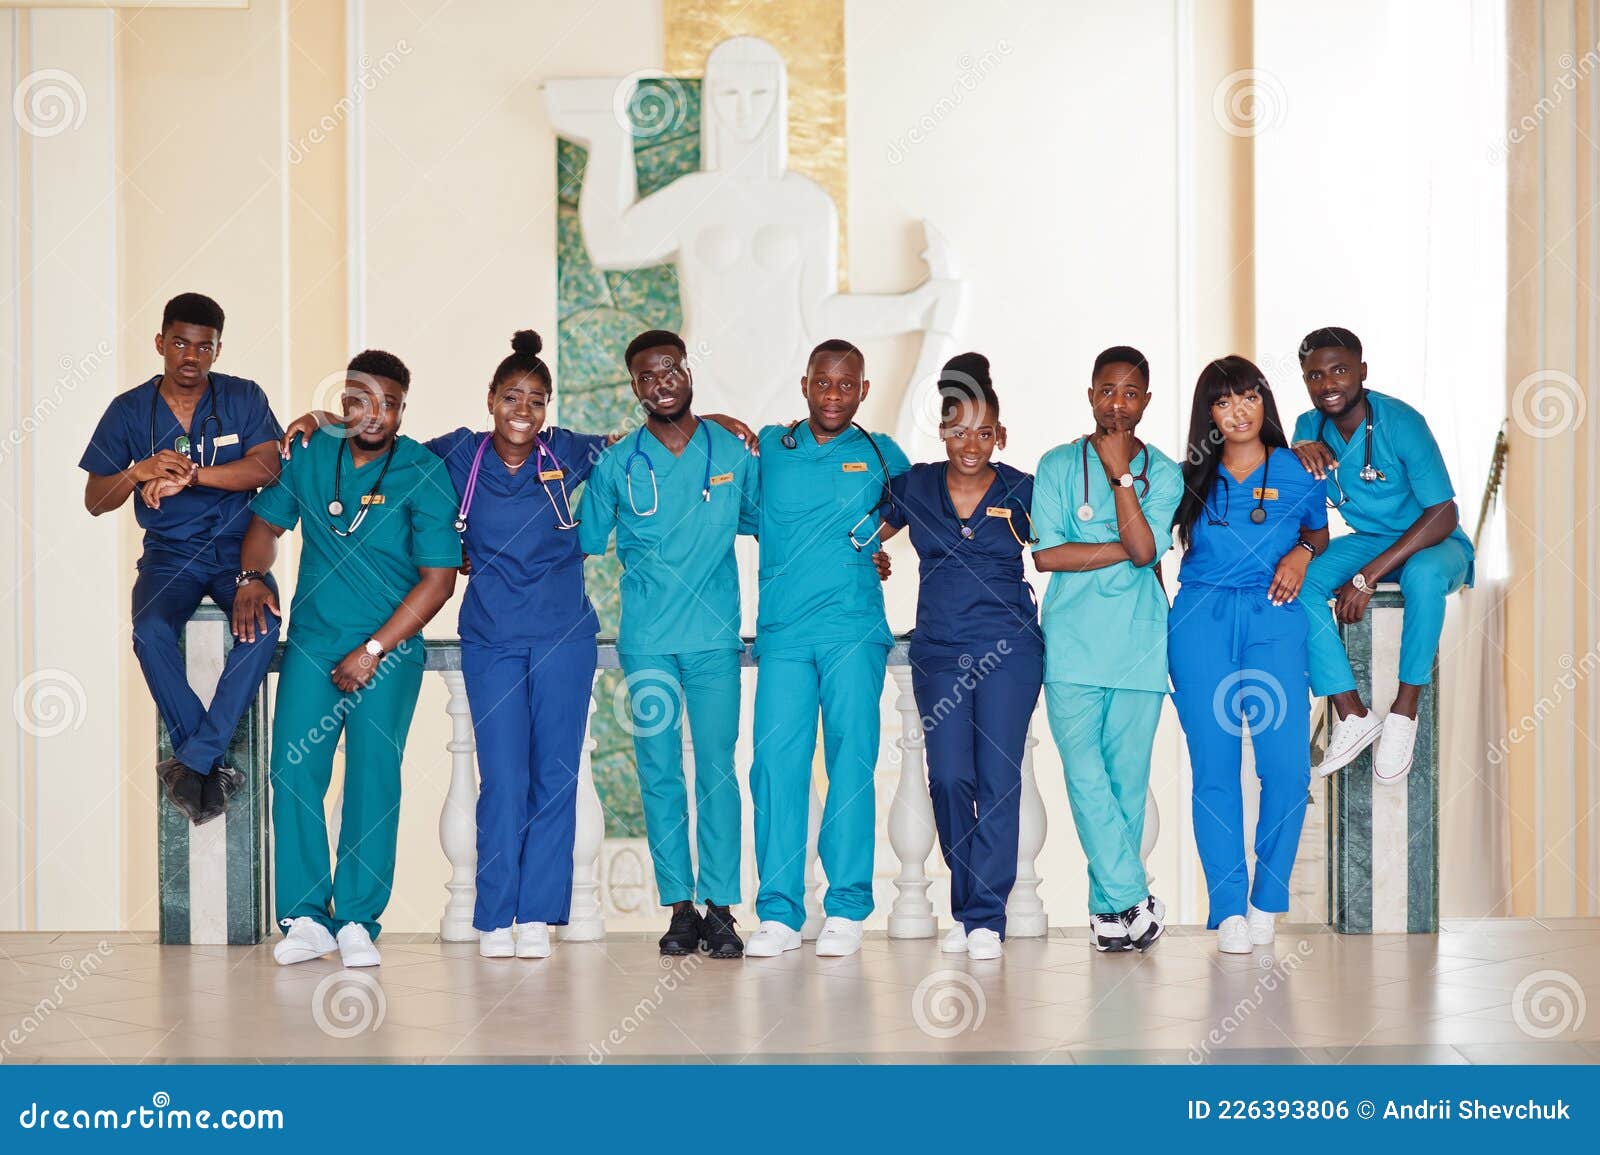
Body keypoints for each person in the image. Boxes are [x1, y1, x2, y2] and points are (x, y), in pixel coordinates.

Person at [280, 332, 755, 961]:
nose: (522, 409)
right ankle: (494, 915)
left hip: (563, 635)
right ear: (491, 400)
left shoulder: (568, 452)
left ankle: (537, 914)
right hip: (491, 638)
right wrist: (324, 420)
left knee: (554, 777)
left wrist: (715, 422)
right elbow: (387, 441)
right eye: (511, 396)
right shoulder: (457, 455)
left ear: (548, 406)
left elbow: (641, 437)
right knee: (501, 777)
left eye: (535, 398)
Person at [237, 350, 460, 968]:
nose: (376, 414)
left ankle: (358, 918)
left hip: (387, 651)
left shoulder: (422, 470)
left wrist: (373, 650)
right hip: (313, 641)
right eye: (364, 400)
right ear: (345, 401)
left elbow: (438, 580)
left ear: (402, 409)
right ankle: (306, 918)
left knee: (372, 777)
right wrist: (251, 576)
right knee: (293, 773)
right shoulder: (309, 453)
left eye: (391, 404)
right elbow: (265, 525)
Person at [578, 330, 760, 959]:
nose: (661, 382)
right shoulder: (617, 463)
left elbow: (780, 525)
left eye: (670, 370)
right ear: (635, 387)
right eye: (647, 376)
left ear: (687, 372)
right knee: (657, 771)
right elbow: (576, 539)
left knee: (715, 771)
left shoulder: (733, 455)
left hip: (712, 640)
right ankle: (680, 908)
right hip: (648, 639)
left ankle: (722, 909)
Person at [80, 292, 284, 824]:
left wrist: (192, 476)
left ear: (217, 350)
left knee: (261, 629)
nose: (190, 356)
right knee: (149, 630)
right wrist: (138, 472)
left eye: (203, 346)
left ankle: (192, 760)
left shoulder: (242, 397)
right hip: (170, 556)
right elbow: (96, 501)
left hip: (238, 550)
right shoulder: (129, 410)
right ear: (160, 343)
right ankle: (207, 761)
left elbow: (266, 470)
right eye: (179, 343)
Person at [744, 338, 911, 959]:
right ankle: (781, 913)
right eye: (823, 383)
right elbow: (730, 498)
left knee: (851, 766)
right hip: (784, 635)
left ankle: (845, 908)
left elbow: (920, 502)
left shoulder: (880, 453)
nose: (833, 395)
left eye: (847, 385)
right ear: (805, 384)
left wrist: (871, 538)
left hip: (853, 632)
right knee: (775, 768)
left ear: (863, 390)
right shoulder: (772, 449)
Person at [877, 353, 1043, 961]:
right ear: (941, 431)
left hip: (1010, 649)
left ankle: (983, 918)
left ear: (999, 434)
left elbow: (1066, 544)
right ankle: (971, 902)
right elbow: (865, 533)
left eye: (983, 432)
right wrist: (873, 557)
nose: (969, 444)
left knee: (998, 779)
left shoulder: (1023, 489)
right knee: (948, 777)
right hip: (941, 649)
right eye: (957, 430)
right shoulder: (914, 485)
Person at [1168, 357, 1328, 954]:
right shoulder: (1189, 475)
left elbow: (1317, 531)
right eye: (1222, 402)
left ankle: (1267, 896)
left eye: (1248, 397)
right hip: (1200, 621)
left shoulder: (1298, 468)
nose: (1238, 411)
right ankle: (1229, 905)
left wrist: (1302, 556)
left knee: (1286, 767)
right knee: (1214, 769)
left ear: (1265, 402)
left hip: (1272, 618)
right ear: (1206, 414)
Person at [1032, 346, 1182, 953]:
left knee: (1125, 782)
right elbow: (1047, 556)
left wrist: (1122, 479)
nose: (1116, 403)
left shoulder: (1165, 473)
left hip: (1140, 645)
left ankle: (1107, 916)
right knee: (1085, 775)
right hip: (1071, 645)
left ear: (1146, 400)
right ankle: (1131, 895)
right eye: (1106, 391)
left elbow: (1144, 552)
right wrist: (1129, 544)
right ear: (1090, 395)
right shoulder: (1057, 464)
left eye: (1129, 392)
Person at [1288, 327, 1474, 782]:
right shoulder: (1307, 428)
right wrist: (1293, 453)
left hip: (1432, 539)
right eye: (1315, 375)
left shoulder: (1400, 422)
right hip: (1371, 538)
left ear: (1362, 372)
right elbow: (1284, 489)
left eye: (1339, 370)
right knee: (1297, 585)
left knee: (1423, 577)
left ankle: (1403, 713)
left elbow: (1443, 513)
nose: (1328, 384)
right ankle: (1351, 713)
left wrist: (1366, 577)